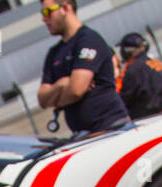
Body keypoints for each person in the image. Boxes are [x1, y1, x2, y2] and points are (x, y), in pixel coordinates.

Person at [37, 0, 130, 137]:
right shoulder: (54, 53)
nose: (44, 19)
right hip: (83, 135)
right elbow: (42, 99)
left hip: (111, 128)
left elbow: (76, 90)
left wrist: (57, 100)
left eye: (48, 12)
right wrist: (62, 84)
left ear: (65, 8)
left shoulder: (88, 40)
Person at [115, 32, 162, 120]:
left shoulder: (135, 68)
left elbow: (124, 100)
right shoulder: (156, 62)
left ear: (126, 51)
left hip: (149, 118)